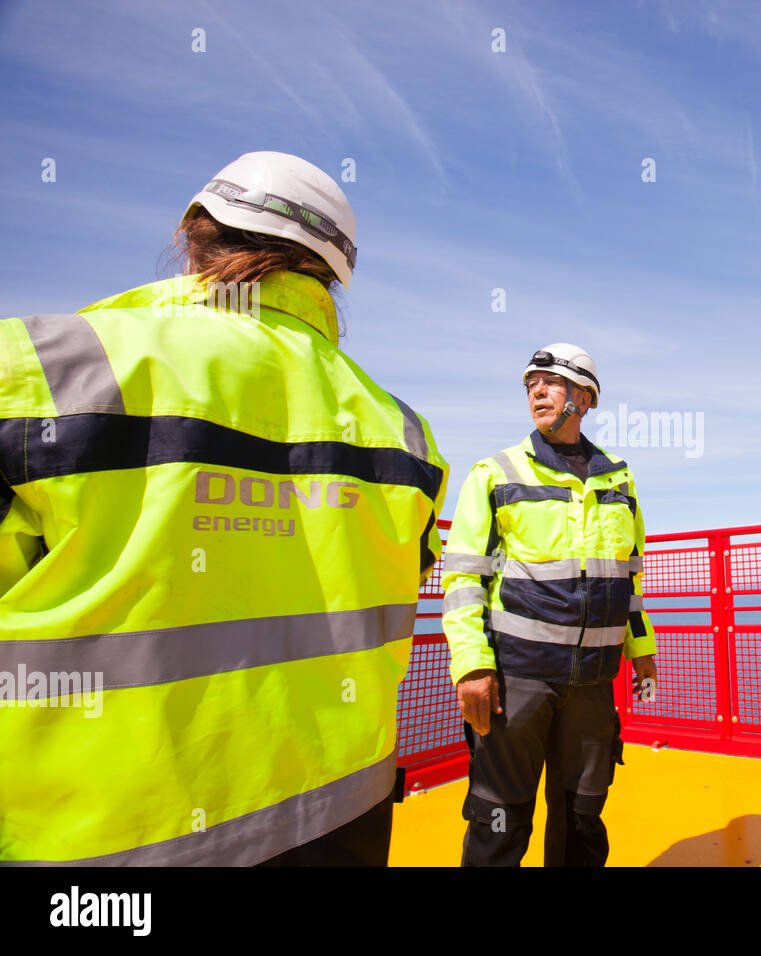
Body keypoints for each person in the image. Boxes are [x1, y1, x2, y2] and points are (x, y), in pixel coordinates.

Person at [0, 151, 448, 865]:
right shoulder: (406, 434)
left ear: (192, 235)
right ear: (331, 273)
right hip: (343, 814)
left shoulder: (45, 368)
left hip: (105, 846)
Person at [441, 343, 657, 866]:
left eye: (550, 382)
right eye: (530, 384)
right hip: (519, 679)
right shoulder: (496, 473)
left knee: (582, 815)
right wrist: (472, 665)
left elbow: (628, 576)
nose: (536, 391)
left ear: (584, 398)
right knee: (499, 817)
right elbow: (466, 577)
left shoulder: (618, 479)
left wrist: (641, 649)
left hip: (592, 684)